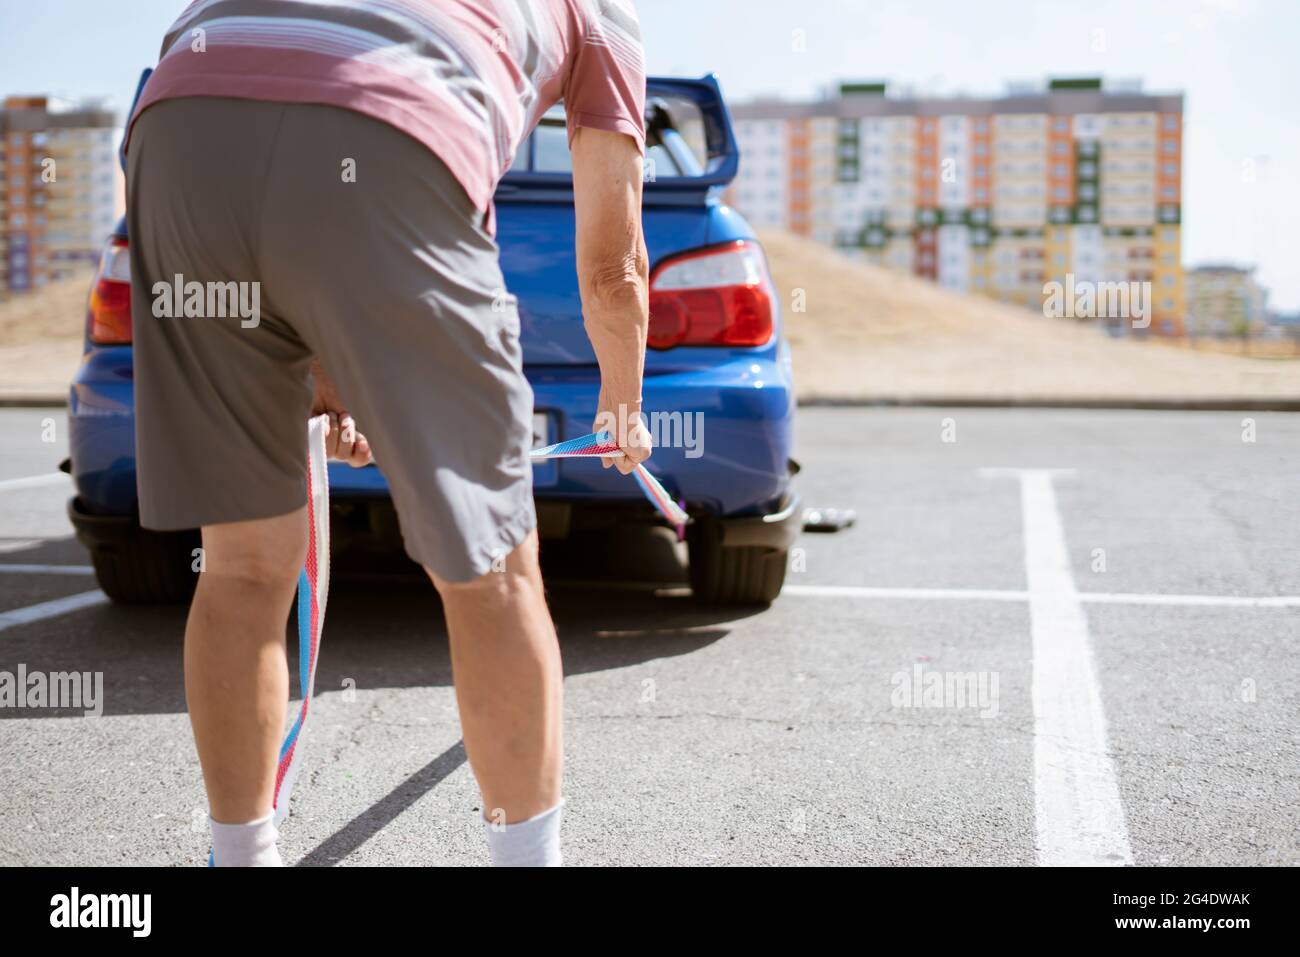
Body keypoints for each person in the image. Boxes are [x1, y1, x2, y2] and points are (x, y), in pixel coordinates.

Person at [124, 0, 650, 867]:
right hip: (390, 125)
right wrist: (624, 402)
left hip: (181, 126)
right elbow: (611, 263)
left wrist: (328, 373)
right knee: (491, 570)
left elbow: (263, 111)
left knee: (244, 567)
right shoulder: (602, 12)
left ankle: (239, 858)